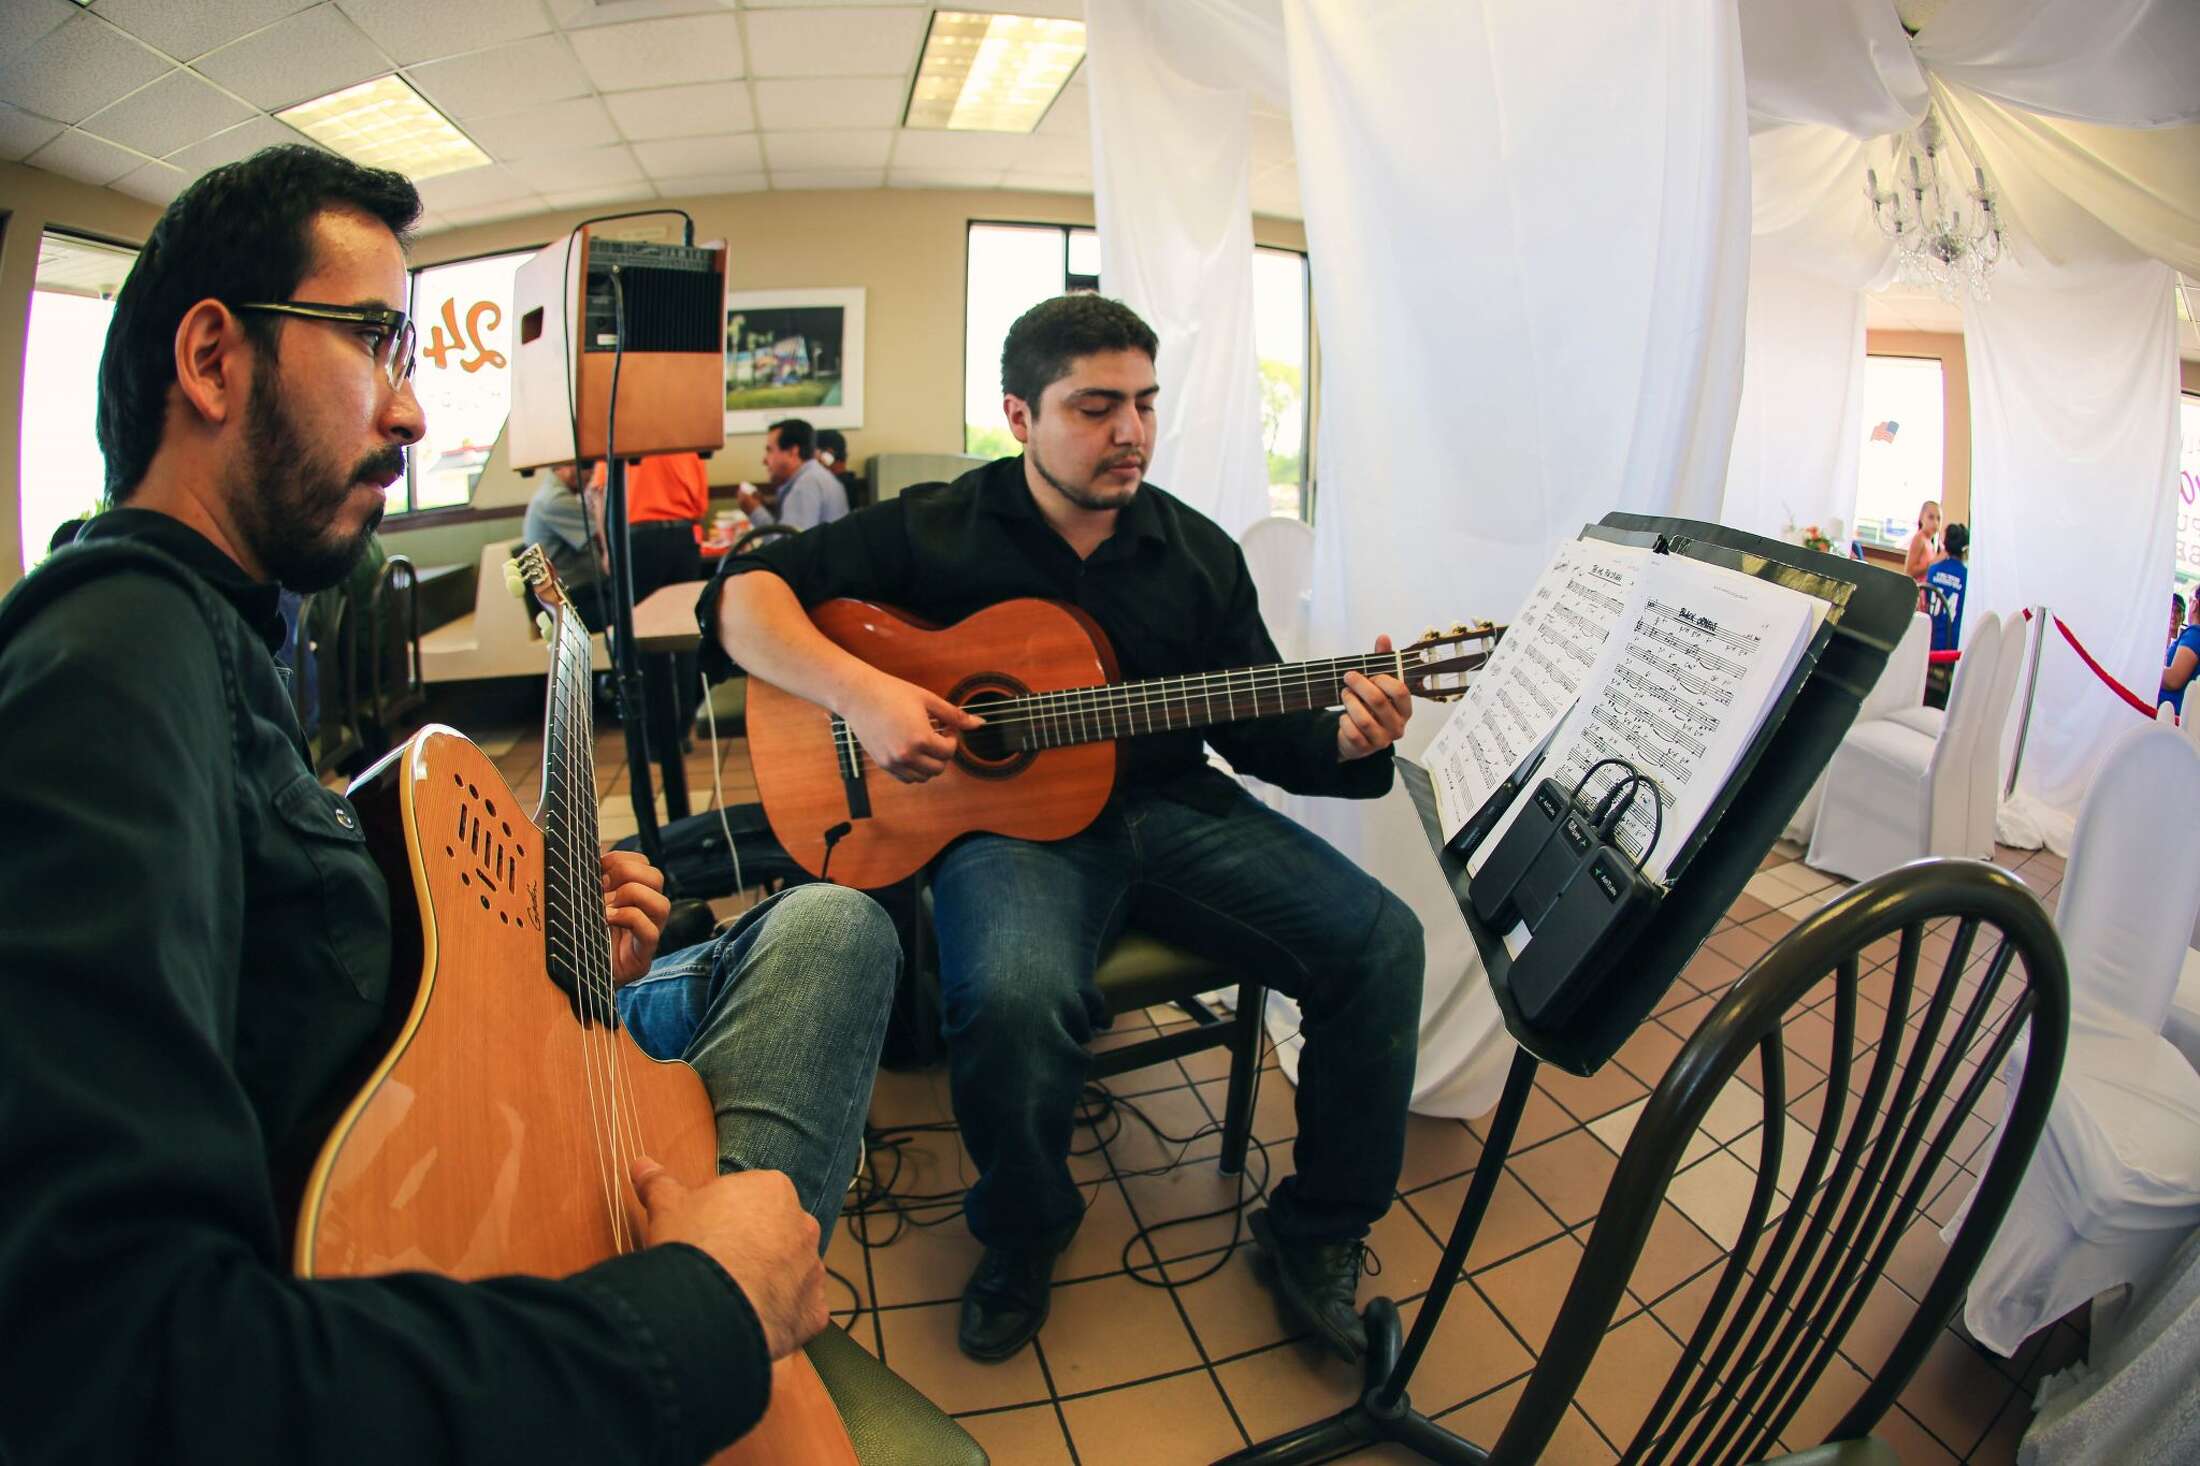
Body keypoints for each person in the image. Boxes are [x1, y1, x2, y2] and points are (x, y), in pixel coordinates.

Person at [0, 144, 899, 1464]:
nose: (413, 412)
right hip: (441, 1229)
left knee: (829, 927)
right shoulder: (114, 661)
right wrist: (690, 1309)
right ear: (211, 359)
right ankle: (734, 1291)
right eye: (375, 340)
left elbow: (300, 998)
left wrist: (533, 949)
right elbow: (111, 1361)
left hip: (446, 1096)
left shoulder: (213, 643)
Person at [703, 294, 1425, 1367]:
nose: (1129, 431)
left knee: (1382, 939)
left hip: (1173, 807)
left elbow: (1265, 729)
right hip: (1015, 834)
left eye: (1142, 403)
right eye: (1093, 406)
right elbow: (740, 596)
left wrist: (1351, 743)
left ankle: (1317, 1228)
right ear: (1018, 414)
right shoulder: (934, 527)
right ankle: (1026, 1229)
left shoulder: (1196, 554)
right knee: (1007, 995)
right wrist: (861, 693)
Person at [521, 461, 606, 627]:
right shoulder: (554, 499)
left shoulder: (554, 494)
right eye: (586, 467)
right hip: (574, 596)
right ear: (562, 467)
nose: (591, 475)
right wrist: (600, 500)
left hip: (581, 589)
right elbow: (601, 536)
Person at [737, 418, 849, 531]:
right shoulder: (813, 476)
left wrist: (754, 511)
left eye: (769, 450)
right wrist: (765, 507)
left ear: (792, 452)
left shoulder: (807, 485)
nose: (764, 460)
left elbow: (787, 545)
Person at [1924, 521, 1969, 652]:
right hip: (1951, 647)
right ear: (1965, 549)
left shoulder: (1932, 570)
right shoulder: (1966, 577)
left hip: (1929, 641)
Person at [2163, 591, 2200, 717]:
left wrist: (2146, 668)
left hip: (2170, 715)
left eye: (2178, 611)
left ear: (2194, 604)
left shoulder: (2195, 633)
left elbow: (2173, 679)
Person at [1904, 497, 1941, 586]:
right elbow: (1909, 572)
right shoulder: (1919, 538)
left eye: (1938, 518)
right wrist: (1934, 562)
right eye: (1931, 517)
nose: (1935, 523)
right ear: (1921, 518)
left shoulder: (1931, 542)